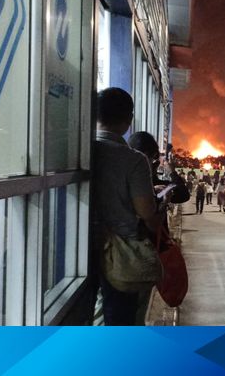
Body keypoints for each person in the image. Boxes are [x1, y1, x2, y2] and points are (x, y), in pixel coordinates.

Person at [92, 87, 163, 326]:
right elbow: (145, 211)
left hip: (81, 248)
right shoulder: (134, 160)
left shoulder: (83, 151)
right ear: (129, 119)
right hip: (121, 254)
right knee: (120, 317)